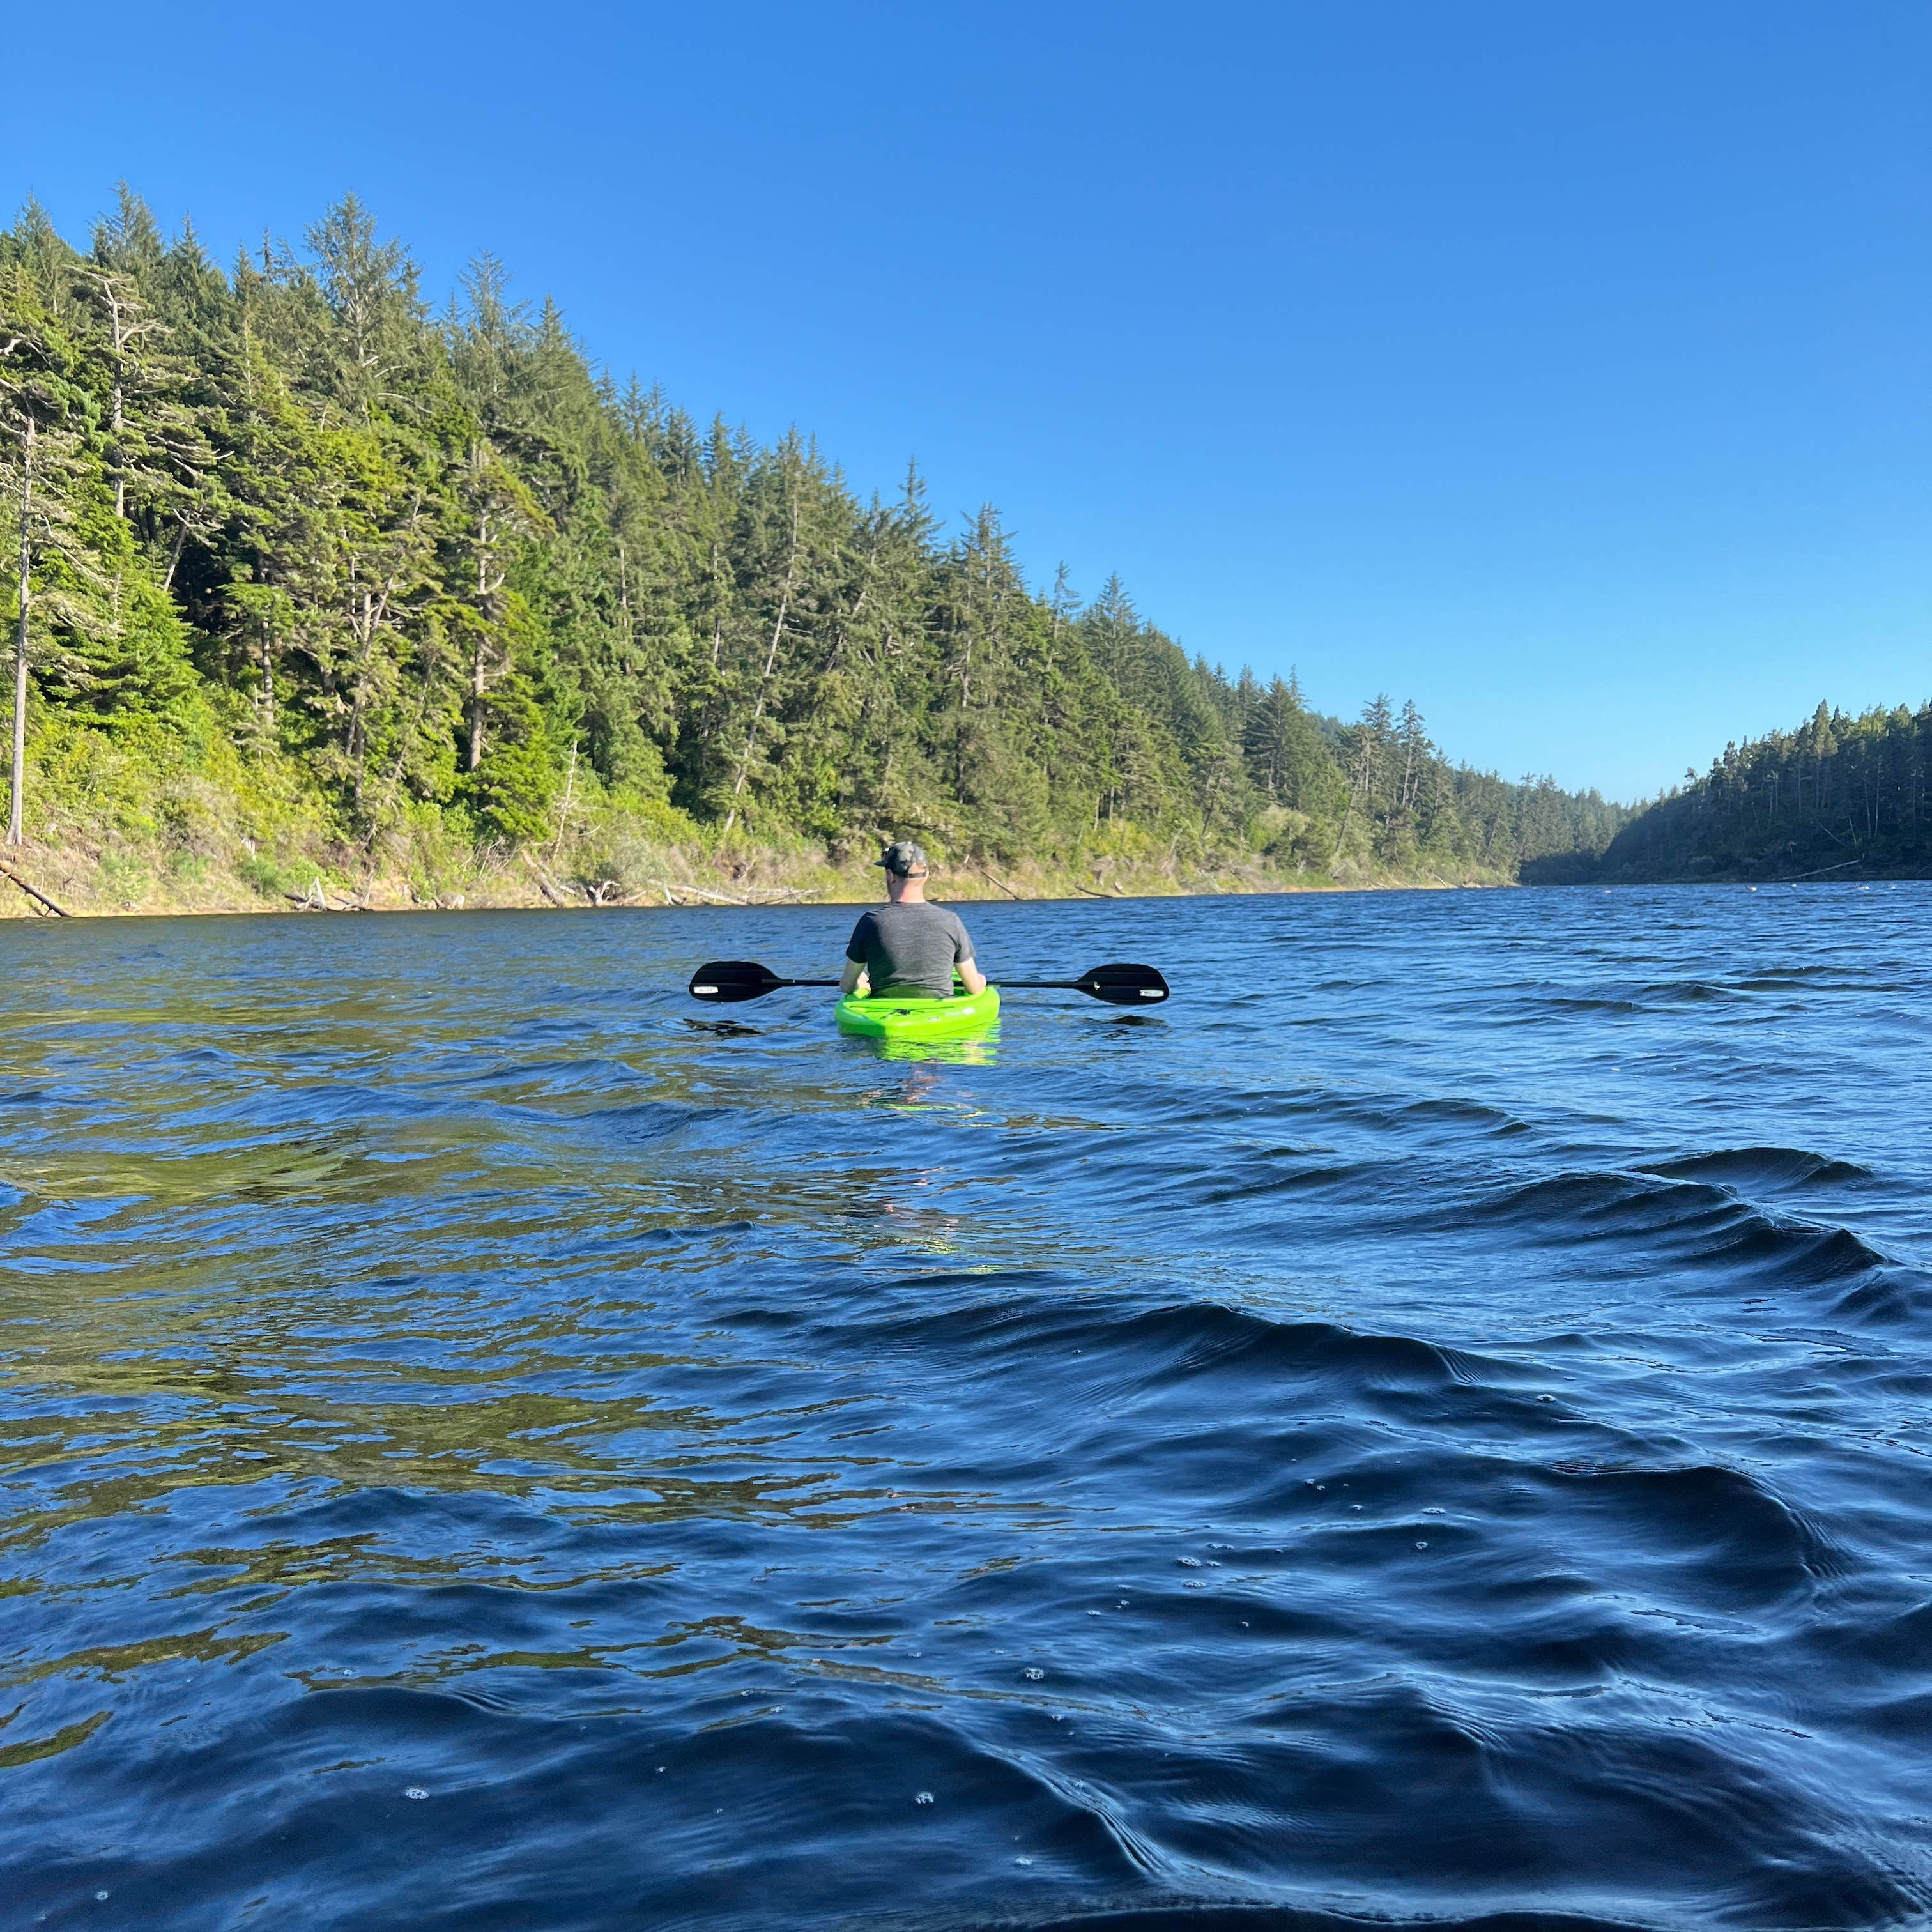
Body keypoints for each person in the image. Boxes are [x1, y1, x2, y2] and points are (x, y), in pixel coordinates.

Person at [841, 841, 987, 1000]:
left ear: (890, 875)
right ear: (927, 875)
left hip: (883, 1010)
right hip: (938, 1012)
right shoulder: (951, 921)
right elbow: (974, 988)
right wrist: (981, 981)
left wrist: (861, 983)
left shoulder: (870, 922)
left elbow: (847, 985)